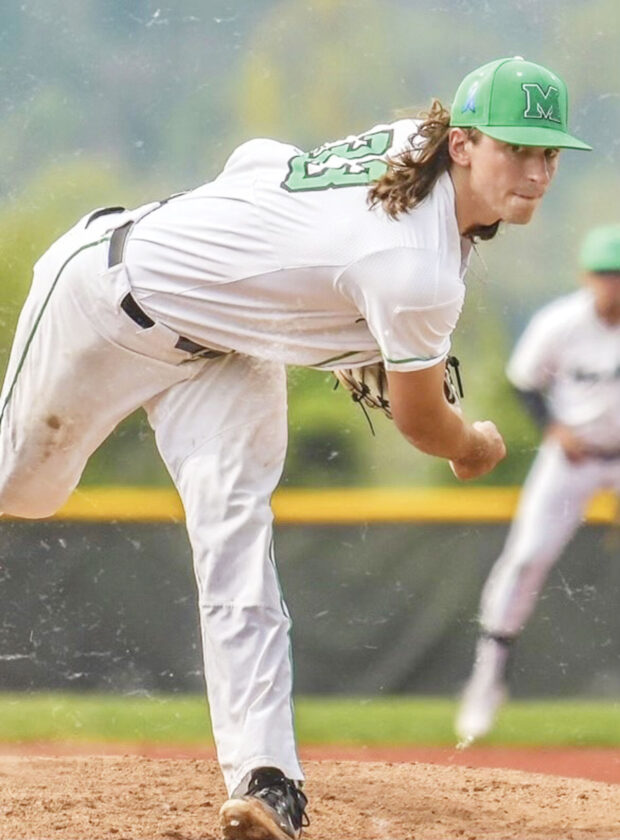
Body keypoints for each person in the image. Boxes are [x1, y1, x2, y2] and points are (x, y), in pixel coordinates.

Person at [0, 56, 589, 840]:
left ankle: (265, 777)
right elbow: (424, 425)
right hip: (105, 305)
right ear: (463, 144)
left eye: (547, 152)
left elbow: (263, 159)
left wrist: (303, 301)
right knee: (22, 491)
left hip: (227, 352)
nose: (536, 171)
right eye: (516, 148)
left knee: (236, 537)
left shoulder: (413, 151)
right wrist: (475, 443)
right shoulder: (414, 269)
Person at [455, 224, 620, 746]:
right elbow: (525, 380)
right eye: (604, 274)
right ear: (585, 277)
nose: (612, 285)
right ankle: (486, 682)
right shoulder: (561, 323)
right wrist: (555, 428)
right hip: (569, 459)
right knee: (525, 560)